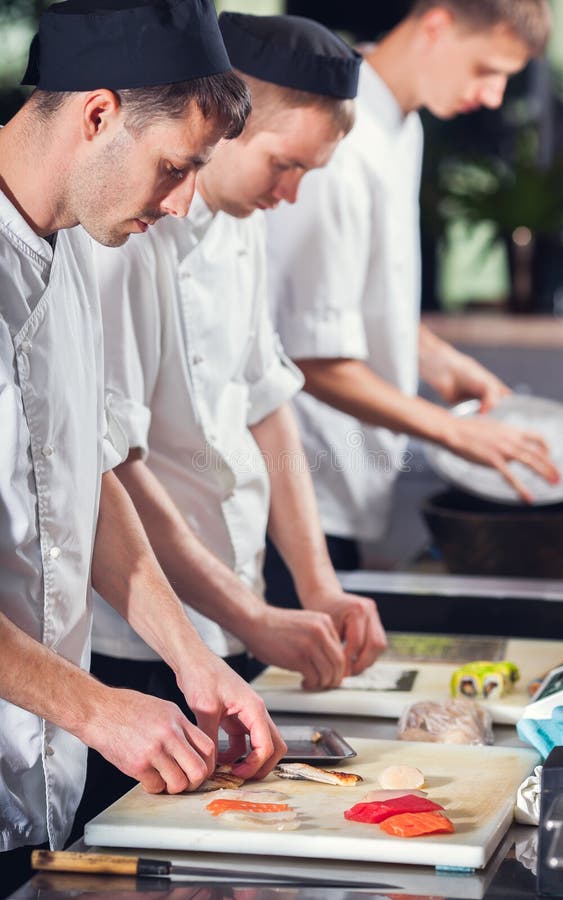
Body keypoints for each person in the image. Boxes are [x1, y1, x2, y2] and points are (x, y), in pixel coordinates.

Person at [75, 11, 387, 835]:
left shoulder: (241, 227)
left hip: (229, 618)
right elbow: (116, 465)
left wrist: (312, 586)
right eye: (285, 166)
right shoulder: (119, 232)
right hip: (133, 637)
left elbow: (267, 402)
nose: (289, 196)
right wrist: (246, 617)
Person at [0, 1, 285, 892]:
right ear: (97, 114)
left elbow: (87, 475)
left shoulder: (77, 243)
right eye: (174, 168)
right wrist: (96, 709)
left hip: (40, 782)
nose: (181, 200)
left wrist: (191, 661)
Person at [264, 0, 560, 590]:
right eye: (486, 69)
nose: (494, 95)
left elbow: (356, 297)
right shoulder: (337, 137)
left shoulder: (405, 125)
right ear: (437, 25)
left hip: (351, 478)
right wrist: (456, 431)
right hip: (299, 486)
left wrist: (438, 359)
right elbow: (309, 352)